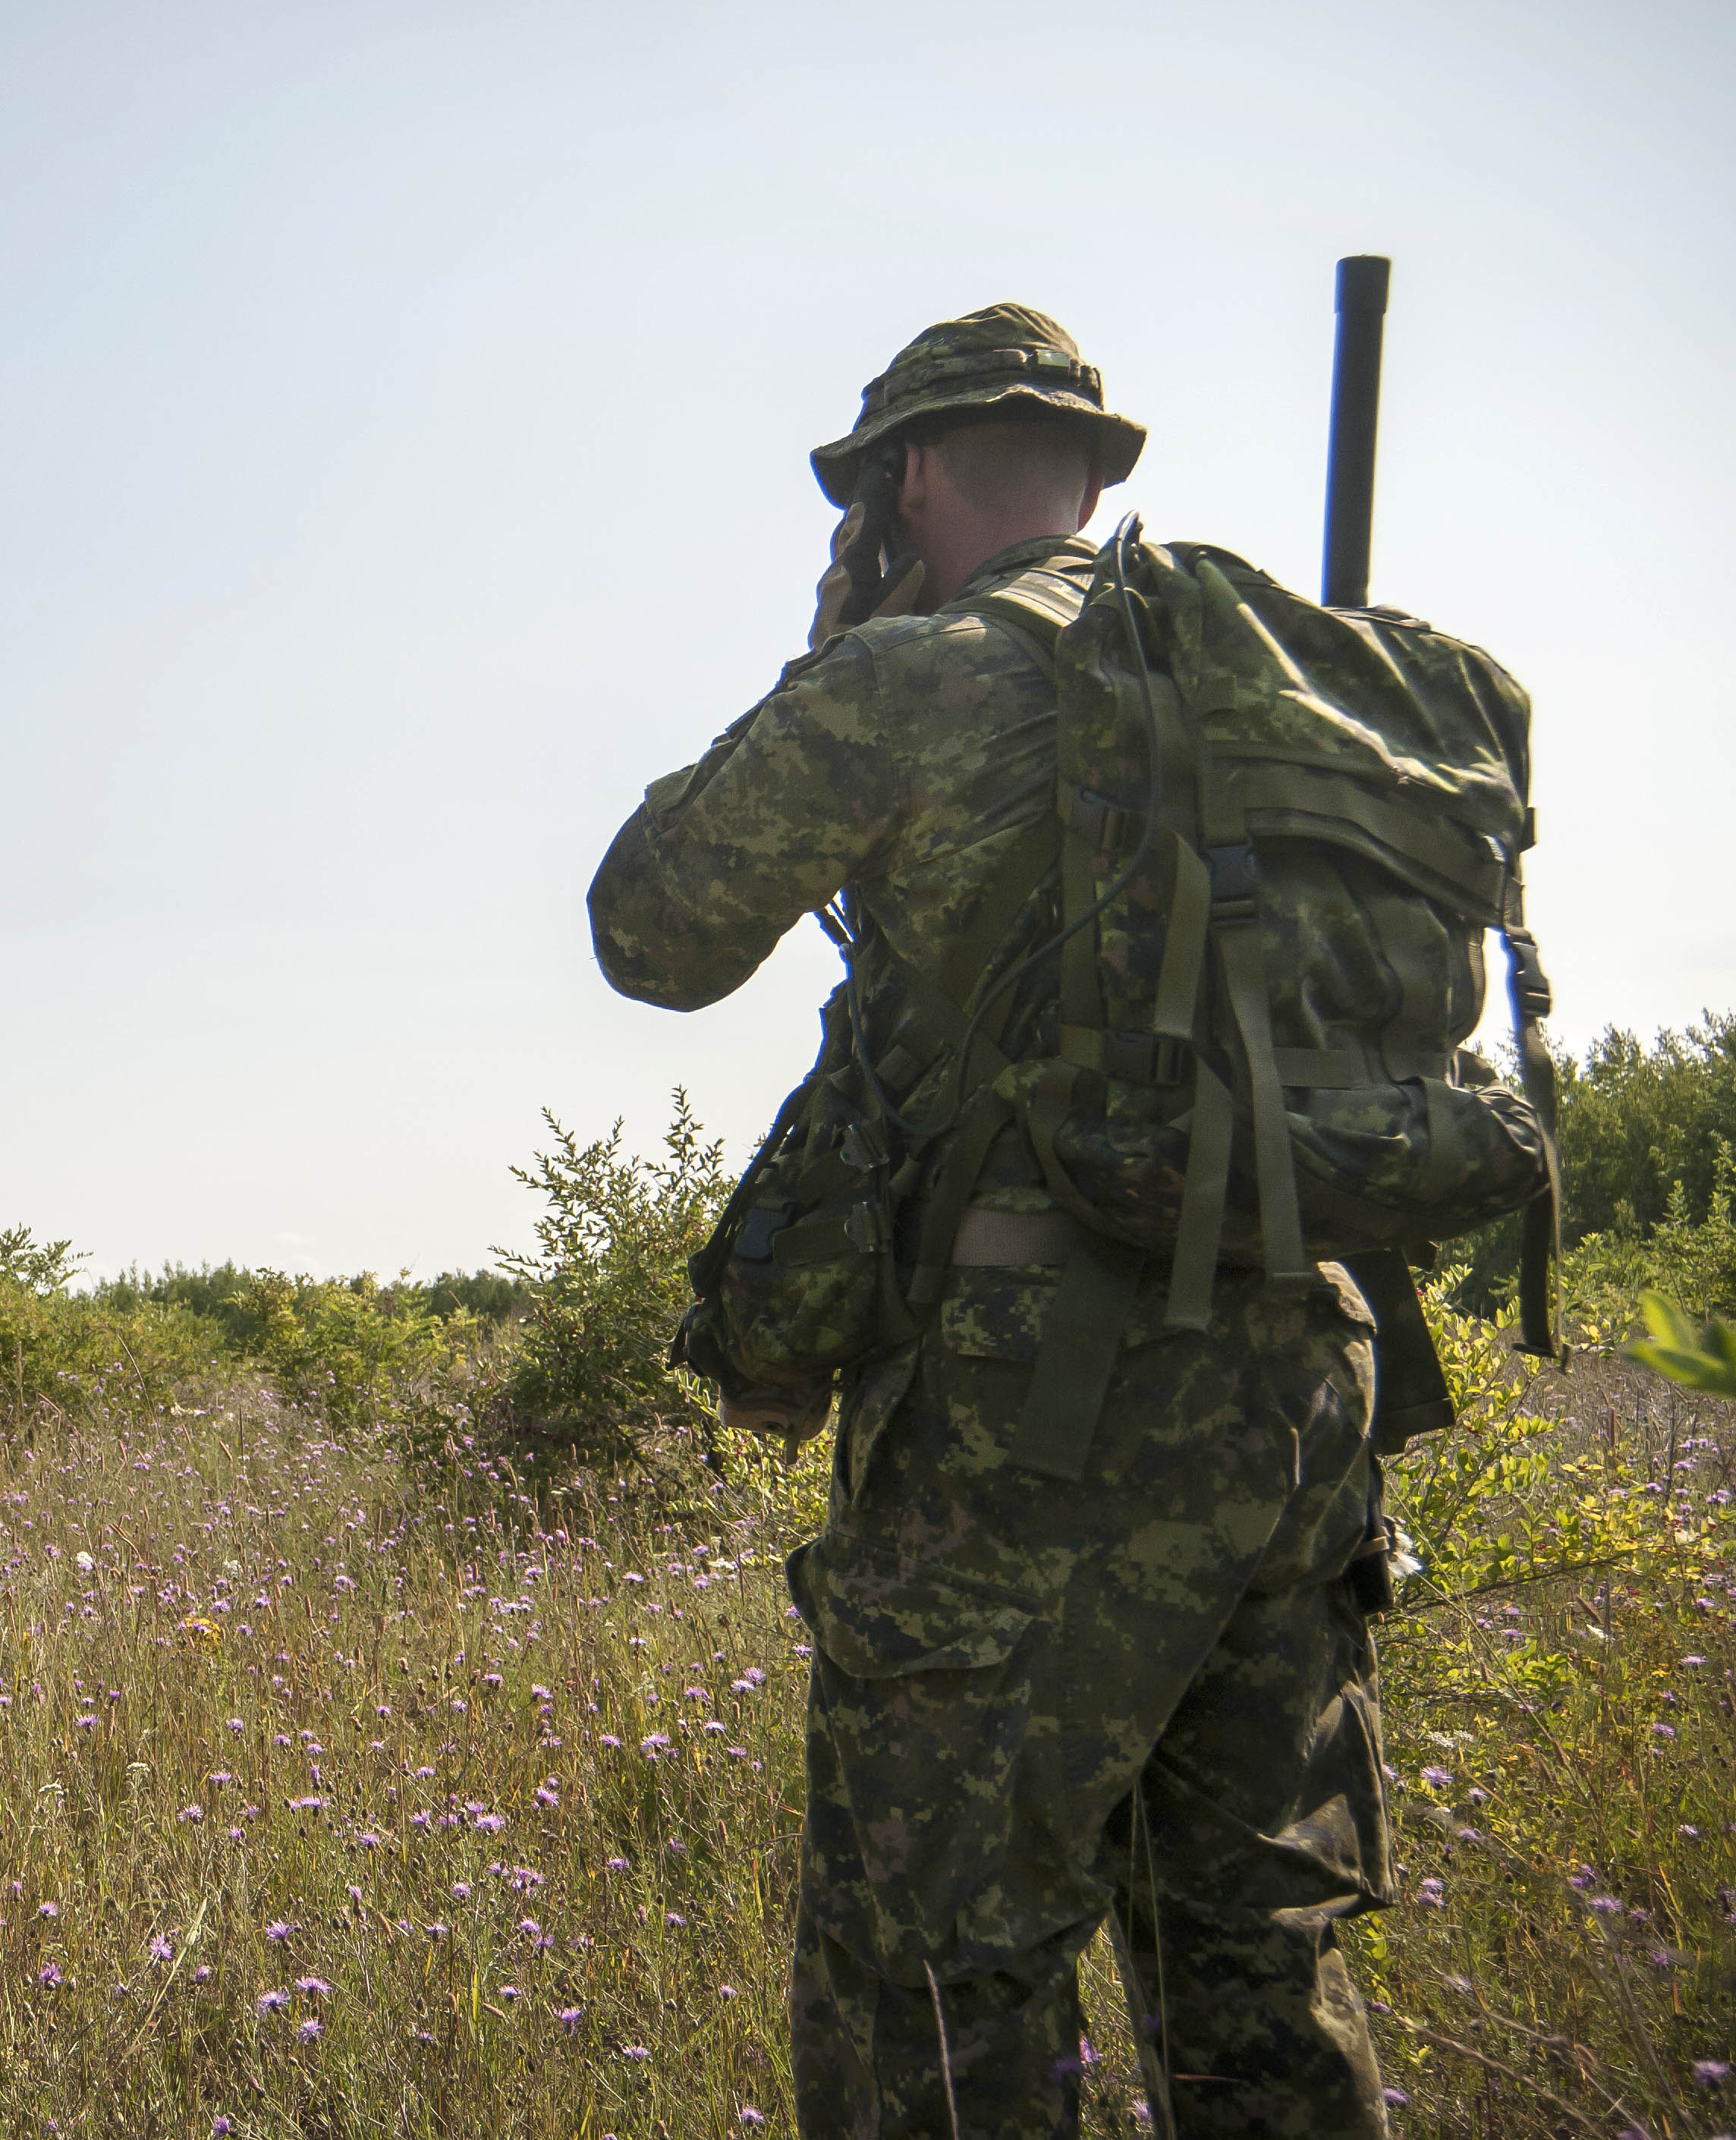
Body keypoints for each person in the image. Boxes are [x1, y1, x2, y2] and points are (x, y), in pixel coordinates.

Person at [589, 309, 1404, 2137]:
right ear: (1096, 472)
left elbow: (648, 929)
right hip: (1301, 1396)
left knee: (936, 1991)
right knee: (1258, 1987)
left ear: (909, 471)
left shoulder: (917, 676)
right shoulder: (1286, 680)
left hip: (1033, 1419)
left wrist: (836, 660)